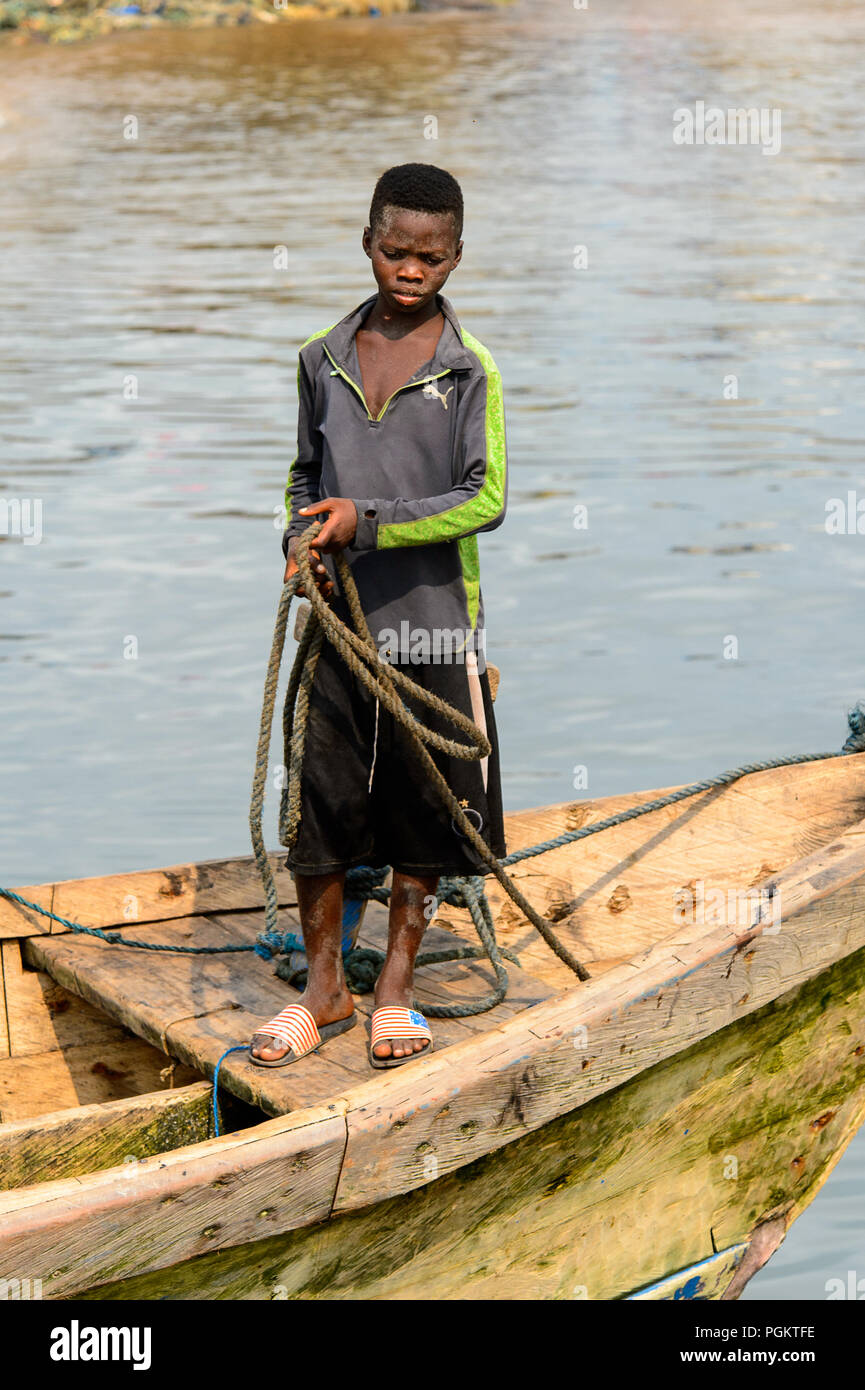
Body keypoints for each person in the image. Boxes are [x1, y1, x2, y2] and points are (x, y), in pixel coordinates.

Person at [250, 163, 508, 1070]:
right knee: (316, 800)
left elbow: (486, 499)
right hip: (339, 623)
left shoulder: (467, 370)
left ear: (456, 258)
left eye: (429, 258)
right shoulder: (319, 358)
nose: (410, 270)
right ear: (367, 244)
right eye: (394, 251)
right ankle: (324, 991)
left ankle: (394, 985)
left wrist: (375, 524)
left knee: (427, 801)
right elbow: (303, 478)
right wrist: (301, 536)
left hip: (434, 622)